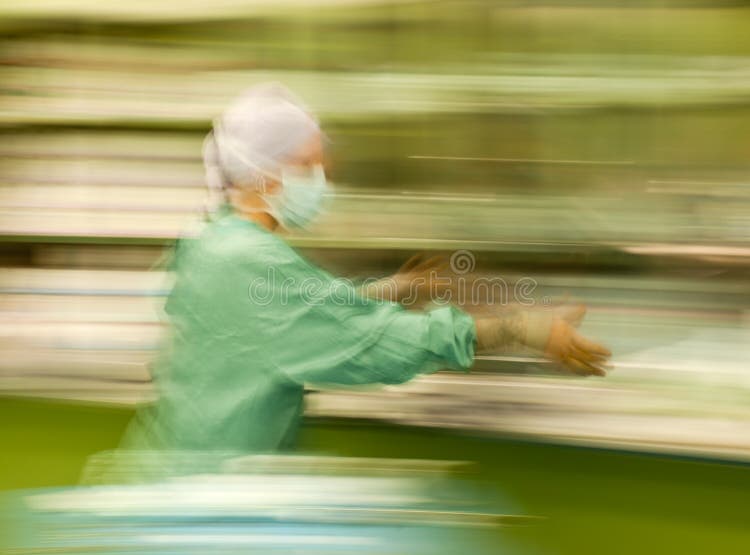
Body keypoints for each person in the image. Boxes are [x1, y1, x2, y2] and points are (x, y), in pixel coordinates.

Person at [119, 84, 611, 465]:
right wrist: (519, 330)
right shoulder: (248, 261)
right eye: (309, 167)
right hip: (209, 508)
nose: (321, 181)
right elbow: (364, 343)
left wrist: (389, 290)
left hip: (184, 472)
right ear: (266, 174)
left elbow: (284, 316)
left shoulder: (215, 240)